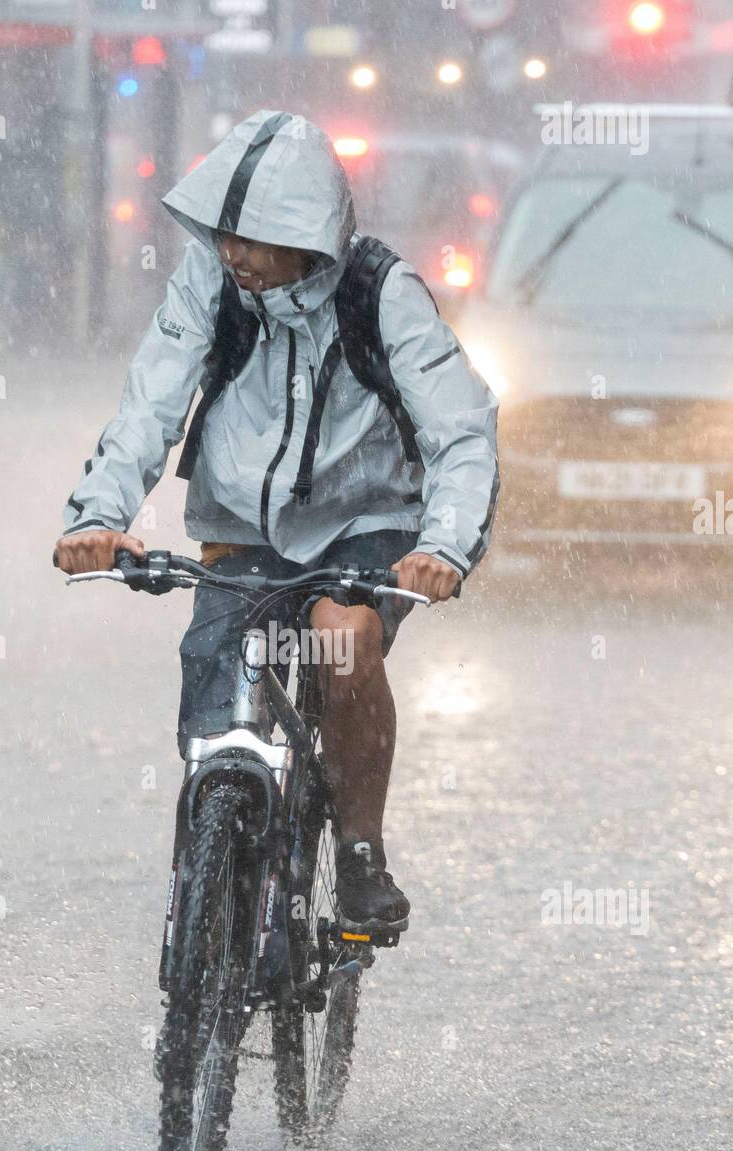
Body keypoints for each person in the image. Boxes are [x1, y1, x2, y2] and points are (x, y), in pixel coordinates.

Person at [54, 110, 498, 932]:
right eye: (225, 231)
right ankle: (204, 909)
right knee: (218, 698)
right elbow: (150, 403)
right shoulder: (207, 285)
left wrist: (443, 546)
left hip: (364, 526)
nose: (232, 251)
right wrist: (98, 516)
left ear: (306, 235)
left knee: (343, 637)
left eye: (252, 237)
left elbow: (462, 429)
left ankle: (359, 850)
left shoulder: (380, 294)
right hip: (242, 533)